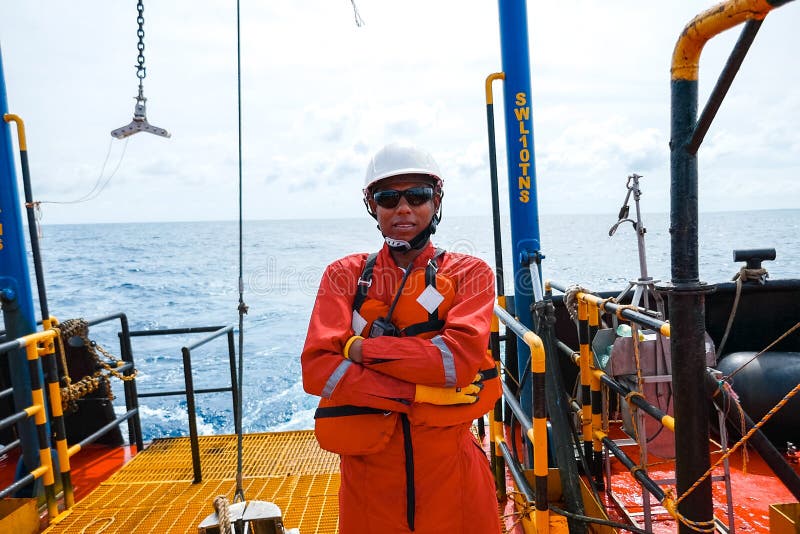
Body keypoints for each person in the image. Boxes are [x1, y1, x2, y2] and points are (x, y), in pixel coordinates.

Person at [301, 142, 502, 533]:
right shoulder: (343, 275)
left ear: (436, 200)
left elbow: (456, 363)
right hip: (369, 493)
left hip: (455, 487)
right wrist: (417, 393)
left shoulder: (471, 273)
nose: (404, 208)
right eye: (389, 198)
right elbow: (318, 369)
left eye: (418, 195)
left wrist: (359, 349)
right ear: (372, 206)